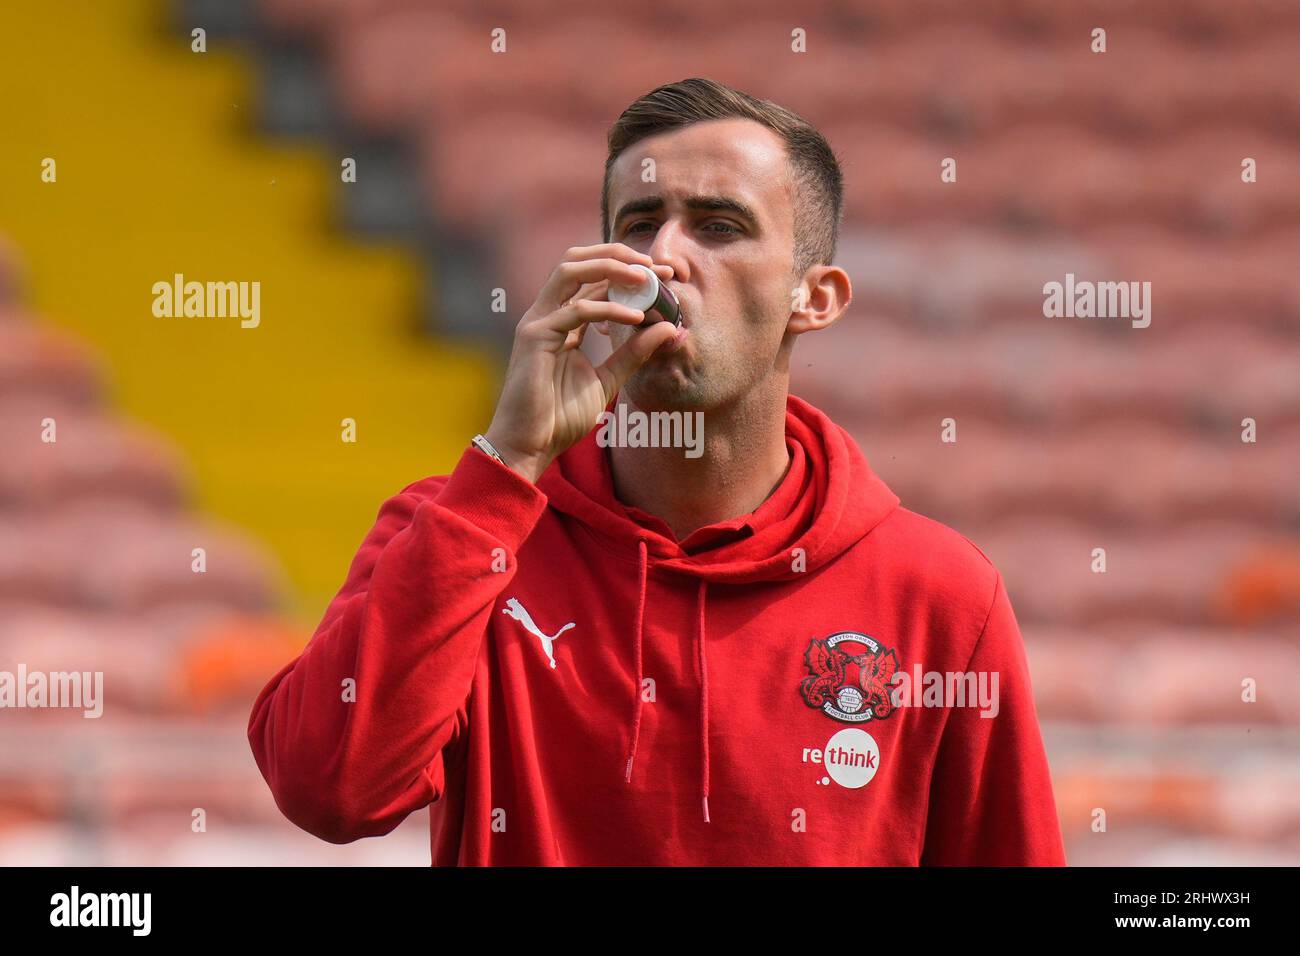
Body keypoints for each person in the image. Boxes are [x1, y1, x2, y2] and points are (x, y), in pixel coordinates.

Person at [248, 77, 1067, 866]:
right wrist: (509, 464)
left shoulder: (939, 596)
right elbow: (329, 792)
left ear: (813, 298)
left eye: (718, 226)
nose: (664, 257)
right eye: (640, 224)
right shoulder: (460, 529)